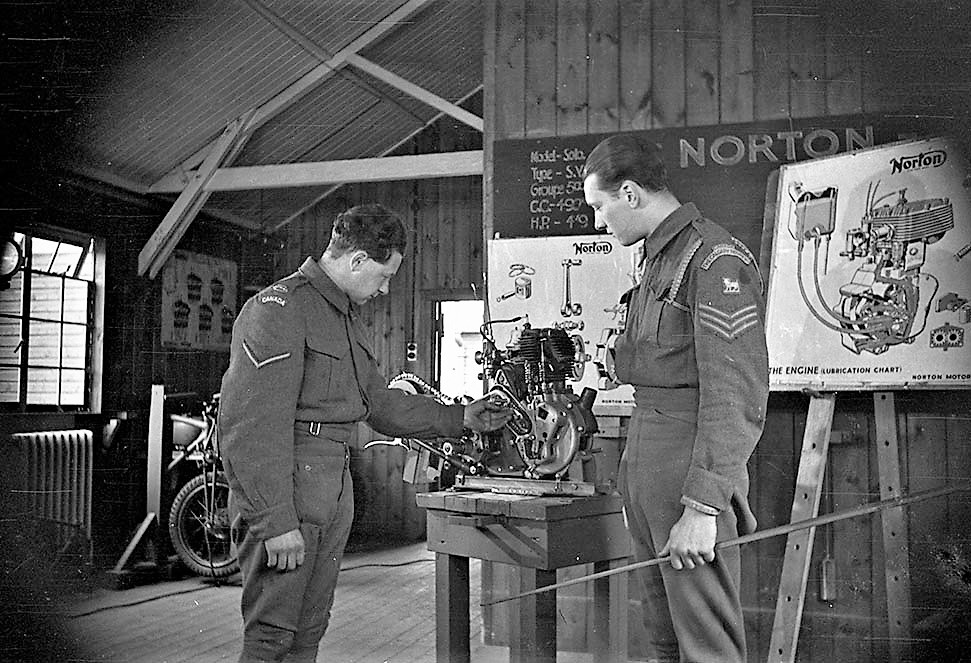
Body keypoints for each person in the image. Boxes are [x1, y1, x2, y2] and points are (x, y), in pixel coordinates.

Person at [218, 203, 511, 663]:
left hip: (332, 487)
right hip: (289, 486)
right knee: (272, 636)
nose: (386, 288)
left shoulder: (342, 317)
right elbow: (249, 427)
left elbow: (380, 403)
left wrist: (460, 418)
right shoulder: (279, 309)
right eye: (383, 275)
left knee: (310, 630)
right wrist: (274, 523)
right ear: (356, 260)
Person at [583, 135, 769, 663]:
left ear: (632, 193)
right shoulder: (656, 261)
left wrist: (702, 506)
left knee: (705, 643)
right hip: (646, 457)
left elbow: (737, 393)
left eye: (601, 207)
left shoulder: (713, 260)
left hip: (687, 463)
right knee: (664, 635)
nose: (599, 222)